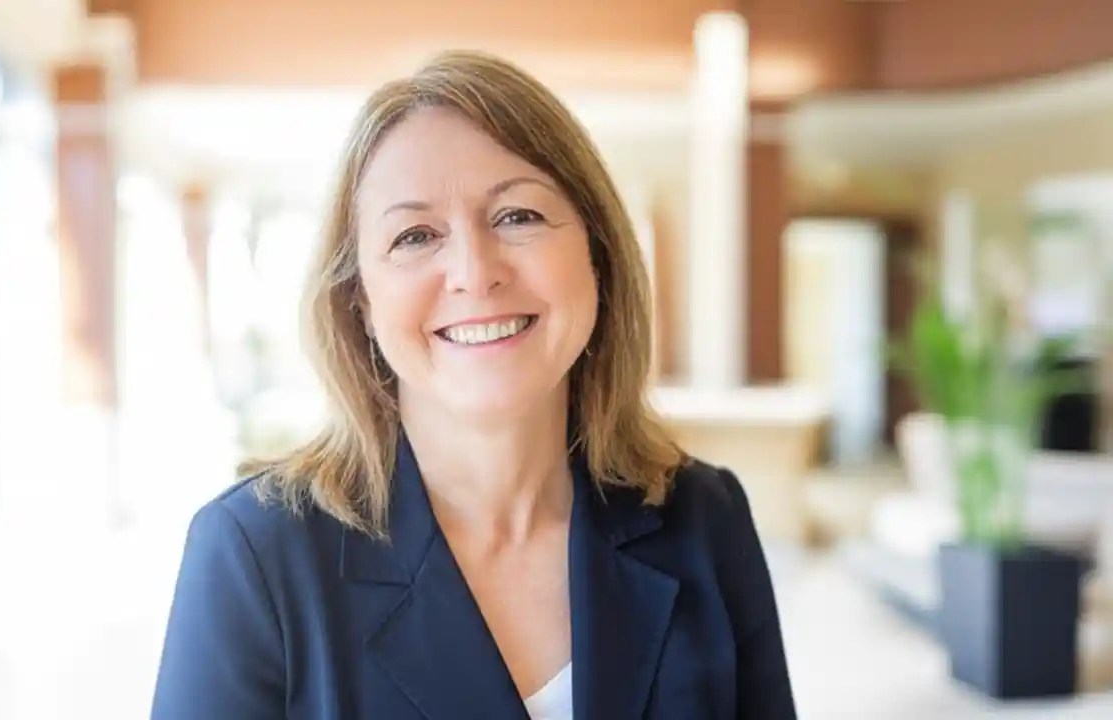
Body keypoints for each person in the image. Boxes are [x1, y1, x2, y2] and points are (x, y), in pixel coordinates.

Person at [151, 50, 796, 720]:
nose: (473, 272)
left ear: (597, 256)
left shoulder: (704, 519)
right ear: (360, 302)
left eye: (517, 216)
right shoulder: (254, 555)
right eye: (415, 236)